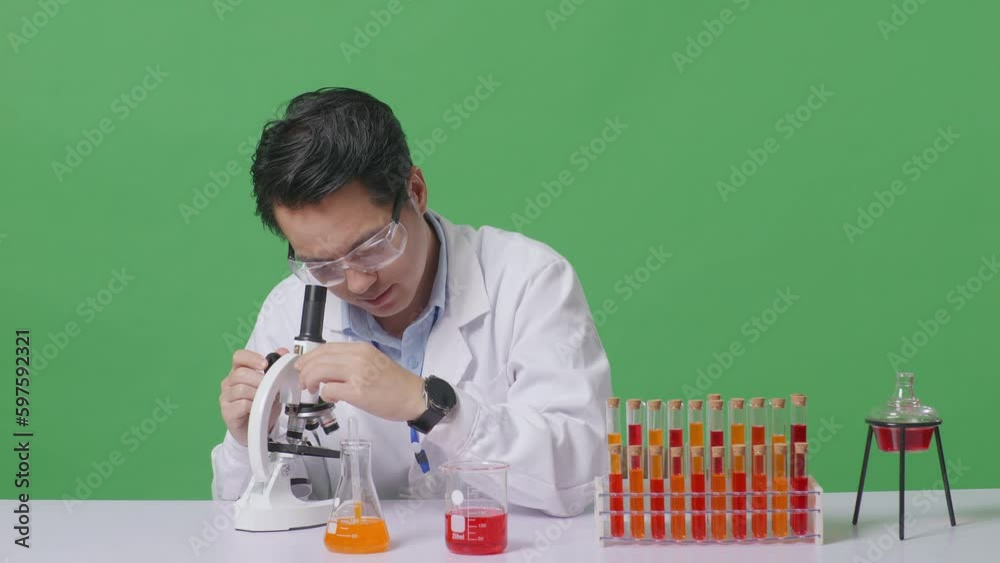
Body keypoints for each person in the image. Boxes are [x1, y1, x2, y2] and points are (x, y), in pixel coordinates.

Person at [210, 87, 611, 517]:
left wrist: (428, 405)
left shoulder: (530, 281)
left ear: (416, 192)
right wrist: (249, 438)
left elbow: (583, 475)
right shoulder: (289, 308)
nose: (358, 282)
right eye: (323, 264)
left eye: (371, 246)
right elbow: (237, 514)